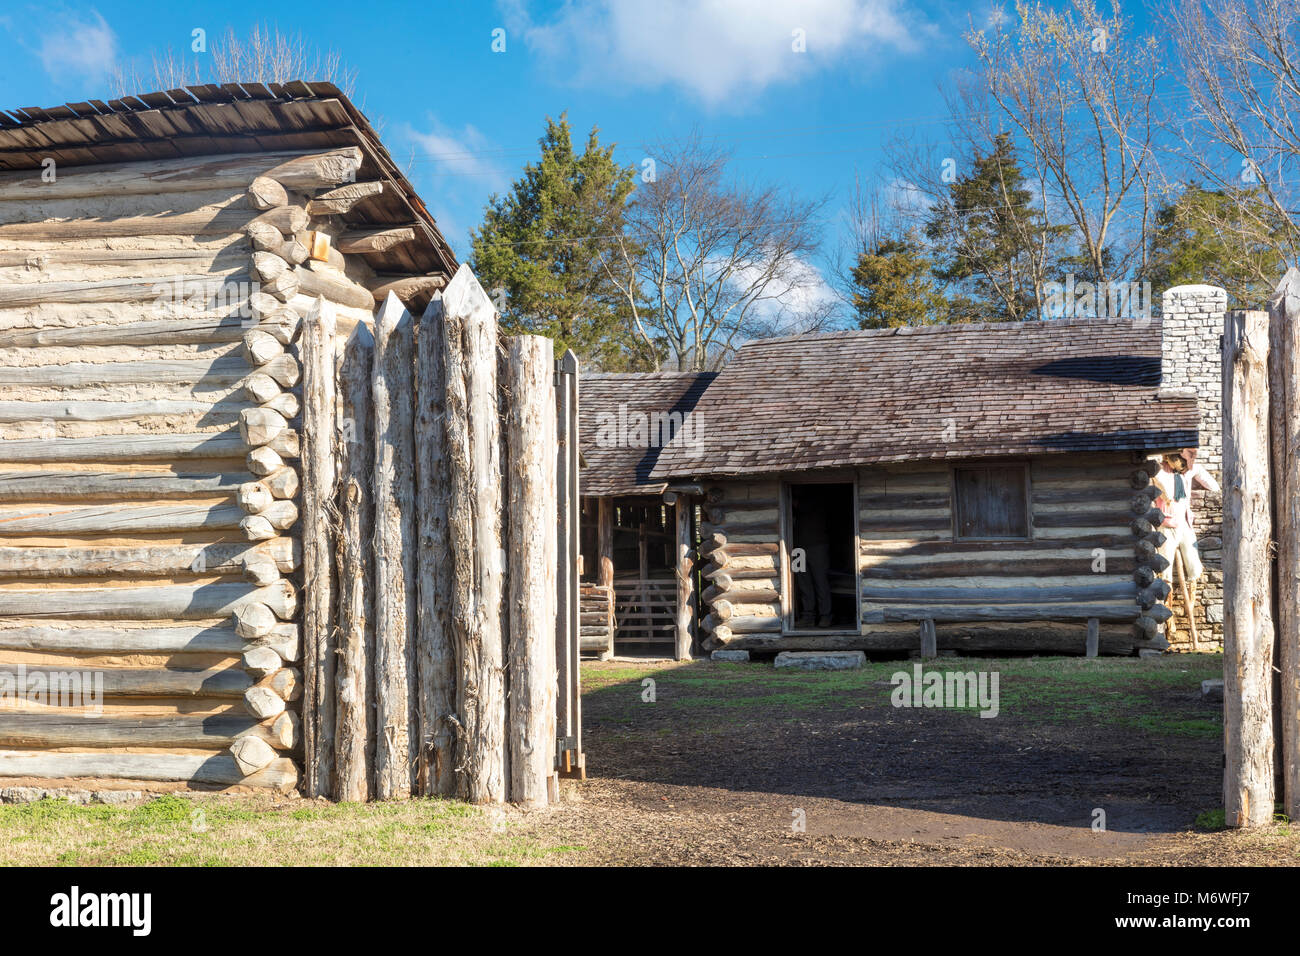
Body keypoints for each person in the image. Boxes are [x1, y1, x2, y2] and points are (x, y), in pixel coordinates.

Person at [1152, 453, 1203, 583]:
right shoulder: (1160, 470)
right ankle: (1165, 589)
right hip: (1168, 520)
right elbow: (1162, 487)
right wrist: (1166, 497)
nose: (1182, 465)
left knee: (1192, 556)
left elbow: (1203, 476)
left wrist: (1217, 489)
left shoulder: (1183, 473)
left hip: (1184, 520)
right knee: (1166, 558)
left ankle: (1193, 587)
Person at [793, 494, 832, 628]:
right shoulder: (793, 497)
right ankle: (808, 616)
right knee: (803, 583)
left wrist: (794, 501)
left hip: (818, 546)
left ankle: (825, 616)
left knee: (821, 582)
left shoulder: (817, 496)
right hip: (798, 548)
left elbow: (804, 506)